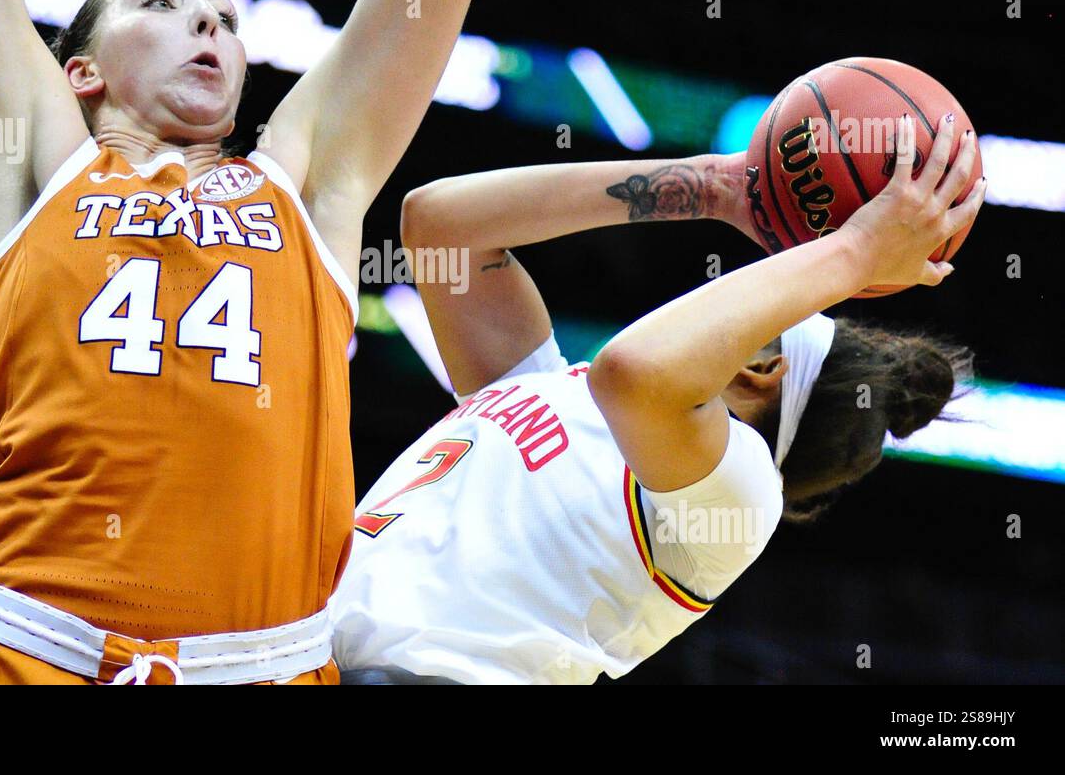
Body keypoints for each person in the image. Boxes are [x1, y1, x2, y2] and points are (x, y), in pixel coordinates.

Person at [0, 0, 531, 684]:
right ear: (79, 70)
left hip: (263, 665)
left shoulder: (307, 187)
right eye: (163, 3)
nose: (209, 27)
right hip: (31, 650)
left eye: (227, 22)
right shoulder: (30, 168)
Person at [330, 112, 985, 684]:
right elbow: (440, 224)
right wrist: (712, 186)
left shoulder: (740, 494)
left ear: (761, 366)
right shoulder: (544, 381)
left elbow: (635, 372)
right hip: (296, 660)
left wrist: (857, 252)